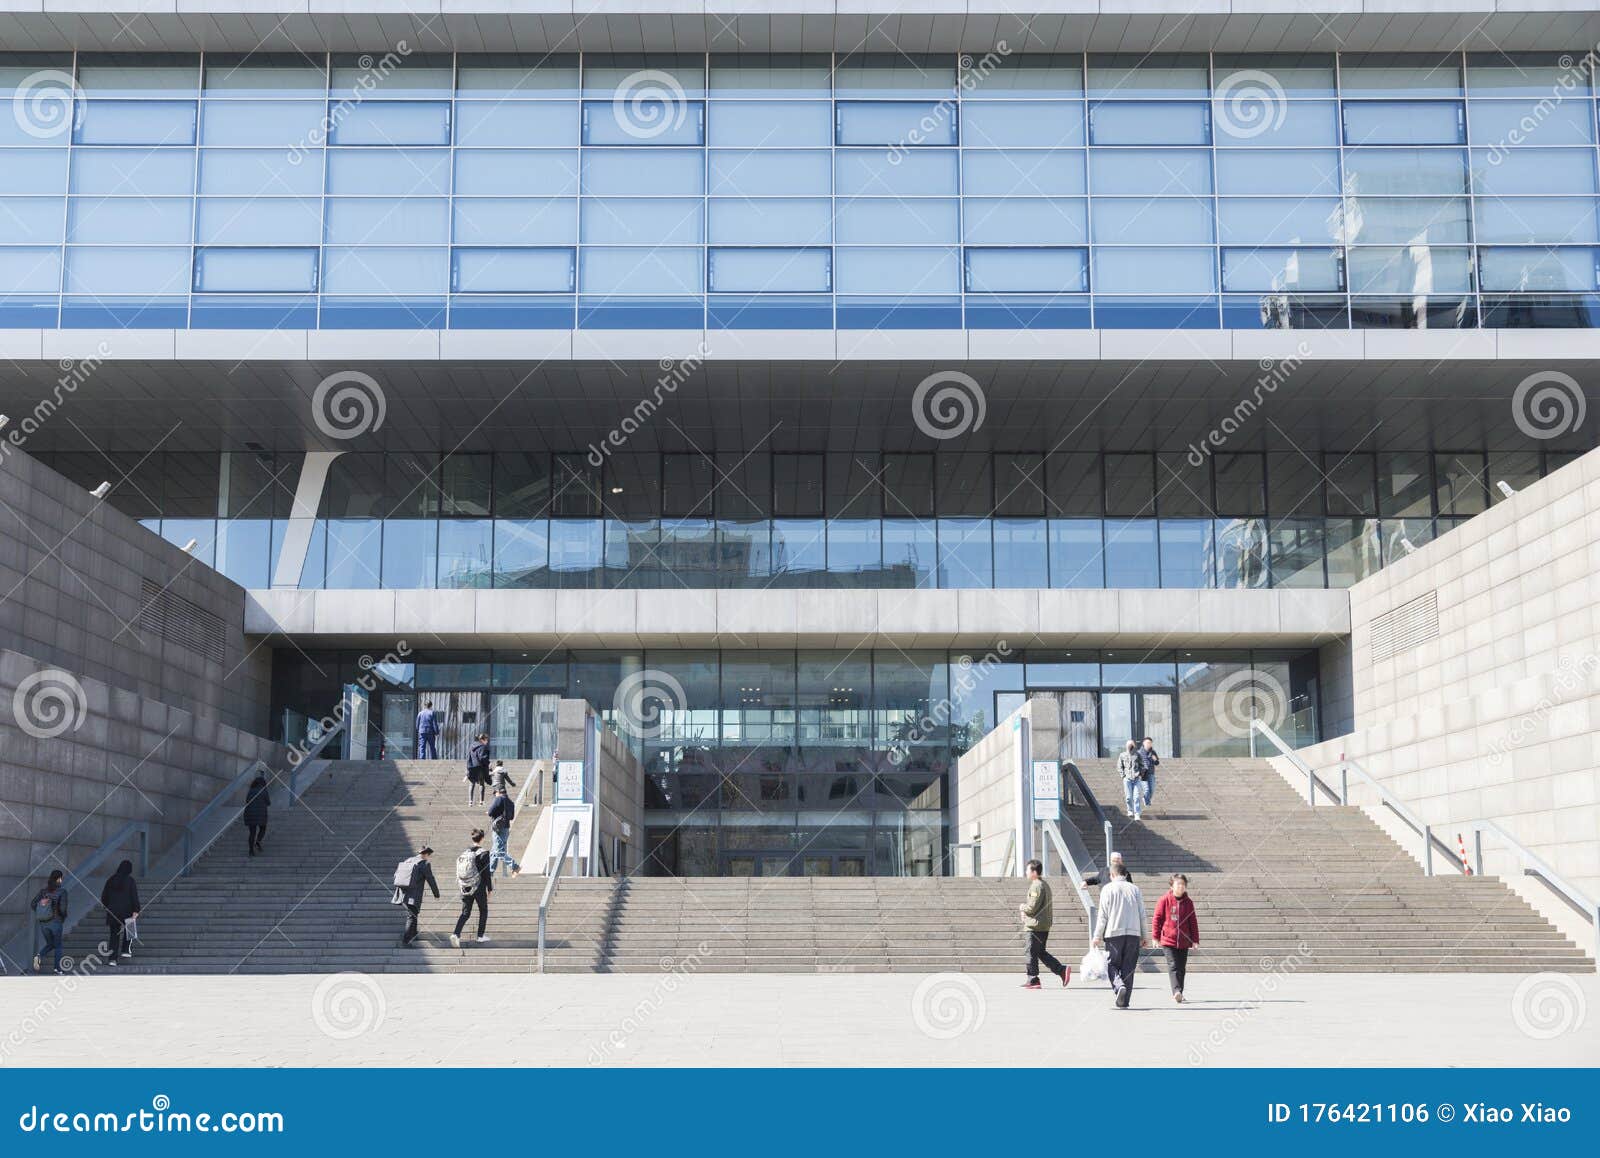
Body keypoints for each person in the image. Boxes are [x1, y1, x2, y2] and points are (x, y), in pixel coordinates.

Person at [1092, 862, 1149, 1009]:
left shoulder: (1107, 889)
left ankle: (1118, 985)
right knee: (1129, 967)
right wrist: (1145, 936)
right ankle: (1124, 1001)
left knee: (1111, 963)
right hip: (1133, 934)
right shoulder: (1135, 889)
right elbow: (1143, 915)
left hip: (1113, 933)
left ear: (1112, 875)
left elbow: (1102, 916)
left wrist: (1097, 936)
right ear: (1125, 875)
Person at [1018, 858, 1071, 990]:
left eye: (1027, 870)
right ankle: (1061, 970)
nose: (1026, 872)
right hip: (1043, 925)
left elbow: (1032, 907)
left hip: (1035, 926)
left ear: (1034, 872)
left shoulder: (1036, 885)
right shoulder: (1044, 884)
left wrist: (1022, 907)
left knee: (1030, 952)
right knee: (1040, 953)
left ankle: (1033, 979)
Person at [1153, 872, 1200, 1003]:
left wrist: (1195, 940)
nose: (1181, 886)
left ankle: (1179, 991)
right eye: (1178, 884)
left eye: (1183, 884)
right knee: (1173, 965)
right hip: (1168, 940)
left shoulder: (1189, 903)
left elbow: (1193, 922)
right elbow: (1157, 919)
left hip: (1184, 942)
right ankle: (1176, 991)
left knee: (1181, 968)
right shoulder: (1164, 900)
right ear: (1171, 886)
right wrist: (1155, 937)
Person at [450, 829, 494, 948]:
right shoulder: (484, 853)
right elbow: (486, 873)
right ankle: (480, 936)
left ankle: (456, 933)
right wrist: (489, 889)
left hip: (465, 886)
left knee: (465, 912)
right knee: (483, 910)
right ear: (482, 839)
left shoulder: (464, 853)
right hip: (478, 887)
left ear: (472, 839)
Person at [392, 846, 440, 948]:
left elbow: (396, 875)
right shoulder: (424, 864)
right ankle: (406, 941)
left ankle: (413, 934)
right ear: (425, 854)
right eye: (428, 855)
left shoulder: (408, 860)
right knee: (411, 916)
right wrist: (436, 894)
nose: (428, 857)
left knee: (413, 914)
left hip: (403, 892)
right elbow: (430, 879)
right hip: (414, 894)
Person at [99, 859, 141, 966]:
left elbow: (104, 897)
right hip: (127, 911)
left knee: (114, 935)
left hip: (113, 912)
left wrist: (106, 906)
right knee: (130, 929)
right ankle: (126, 950)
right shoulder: (130, 881)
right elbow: (134, 896)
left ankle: (112, 959)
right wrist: (136, 910)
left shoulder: (111, 880)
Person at [29, 870, 68, 974]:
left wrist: (42, 910)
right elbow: (63, 909)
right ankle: (57, 969)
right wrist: (63, 917)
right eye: (61, 878)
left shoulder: (43, 892)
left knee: (51, 944)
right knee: (58, 945)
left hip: (44, 923)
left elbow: (33, 904)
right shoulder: (62, 892)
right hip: (56, 922)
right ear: (59, 879)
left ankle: (39, 956)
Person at [486, 787, 522, 878]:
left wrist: (489, 812)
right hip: (506, 828)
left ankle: (515, 866)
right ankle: (490, 872)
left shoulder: (499, 799)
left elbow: (490, 812)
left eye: (495, 793)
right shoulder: (511, 802)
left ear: (498, 792)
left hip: (498, 828)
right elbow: (512, 817)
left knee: (498, 851)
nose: (495, 795)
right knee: (494, 851)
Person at [242, 771, 270, 855]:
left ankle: (251, 851)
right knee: (262, 828)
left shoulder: (250, 791)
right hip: (261, 814)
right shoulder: (264, 791)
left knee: (252, 833)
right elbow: (268, 803)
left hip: (250, 814)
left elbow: (247, 801)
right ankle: (258, 841)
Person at [1117, 739, 1143, 820]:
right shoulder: (1122, 755)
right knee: (1128, 797)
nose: (1130, 747)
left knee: (1136, 797)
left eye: (1132, 745)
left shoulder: (1137, 755)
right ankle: (1130, 810)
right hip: (1127, 779)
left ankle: (1137, 813)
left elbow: (1142, 765)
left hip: (1136, 779)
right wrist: (1123, 776)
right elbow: (1119, 766)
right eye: (1129, 745)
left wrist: (1140, 773)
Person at [1137, 737, 1161, 814]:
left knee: (1152, 789)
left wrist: (1155, 760)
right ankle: (1146, 801)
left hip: (1151, 773)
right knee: (1146, 789)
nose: (1149, 744)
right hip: (1143, 774)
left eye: (1150, 743)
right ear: (1143, 743)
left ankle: (1146, 799)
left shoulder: (1153, 752)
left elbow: (1157, 763)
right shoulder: (1139, 752)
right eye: (1147, 743)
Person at [466, 732, 490, 804]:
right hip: (480, 767)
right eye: (486, 740)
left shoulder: (471, 746)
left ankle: (470, 801)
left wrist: (468, 767)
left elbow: (468, 757)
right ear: (483, 739)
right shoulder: (482, 747)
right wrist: (488, 764)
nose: (487, 742)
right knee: (481, 784)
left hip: (471, 767)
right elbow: (482, 758)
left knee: (471, 784)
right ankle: (481, 801)